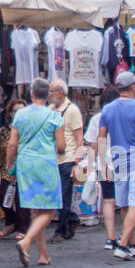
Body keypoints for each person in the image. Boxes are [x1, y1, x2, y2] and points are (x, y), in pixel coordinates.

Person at [97, 72, 135, 260]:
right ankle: (123, 243)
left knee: (124, 203)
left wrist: (102, 162)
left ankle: (132, 243)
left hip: (118, 159)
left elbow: (101, 137)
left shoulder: (107, 109)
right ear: (133, 87)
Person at [6, 78, 66, 267]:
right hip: (46, 163)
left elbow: (12, 143)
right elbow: (62, 147)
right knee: (49, 208)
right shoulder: (55, 116)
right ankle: (26, 241)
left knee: (35, 210)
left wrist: (9, 163)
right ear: (48, 95)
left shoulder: (20, 114)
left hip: (25, 163)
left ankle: (43, 255)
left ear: (31, 94)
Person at [85, 86, 120, 249]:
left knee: (108, 200)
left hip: (104, 163)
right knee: (126, 201)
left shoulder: (97, 119)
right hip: (123, 162)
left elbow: (91, 143)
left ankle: (110, 237)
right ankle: (127, 238)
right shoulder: (122, 116)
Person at [49, 79, 84, 242]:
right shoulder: (50, 109)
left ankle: (61, 230)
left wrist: (77, 162)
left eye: (51, 91)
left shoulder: (72, 110)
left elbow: (79, 137)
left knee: (63, 195)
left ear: (60, 93)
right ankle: (72, 219)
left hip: (68, 158)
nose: (49, 95)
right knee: (57, 195)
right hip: (53, 159)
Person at [0, 100, 30, 241]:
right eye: (15, 111)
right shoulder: (3, 131)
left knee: (21, 200)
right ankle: (10, 223)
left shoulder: (28, 129)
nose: (18, 114)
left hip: (24, 168)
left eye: (21, 111)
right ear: (10, 113)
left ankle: (23, 228)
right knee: (4, 198)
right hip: (7, 168)